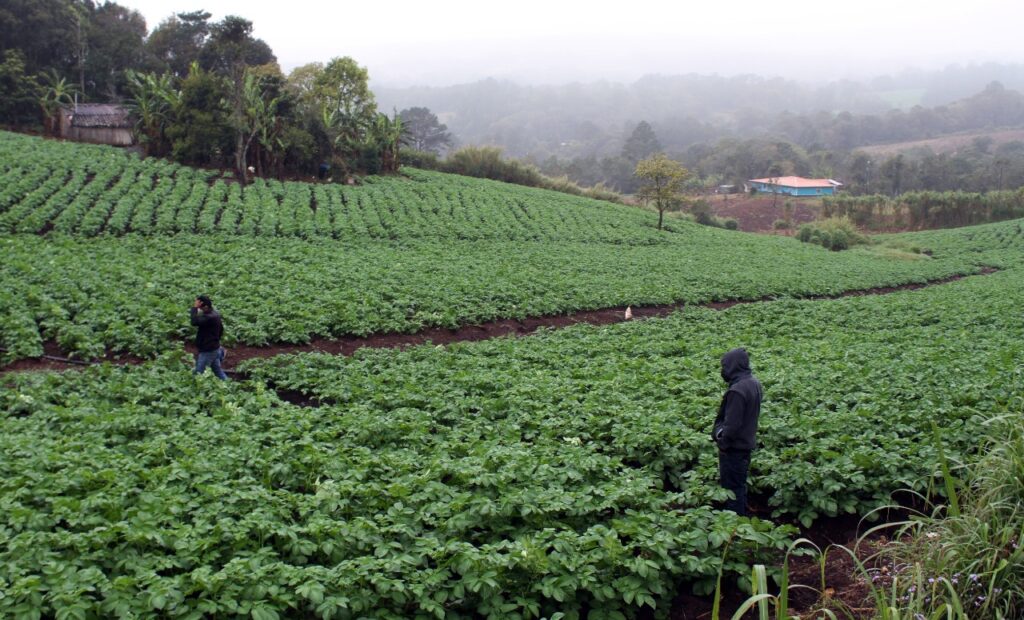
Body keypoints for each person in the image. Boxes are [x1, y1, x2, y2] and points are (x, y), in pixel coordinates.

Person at [711, 348, 762, 516]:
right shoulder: (753, 383)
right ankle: (741, 519)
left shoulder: (737, 390)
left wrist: (722, 441)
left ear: (733, 366)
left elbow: (732, 426)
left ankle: (734, 524)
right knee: (739, 486)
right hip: (746, 444)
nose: (723, 371)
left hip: (734, 448)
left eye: (725, 366)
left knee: (732, 490)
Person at [190, 295, 227, 380]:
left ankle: (197, 387)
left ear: (206, 306)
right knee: (217, 371)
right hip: (214, 348)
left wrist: (194, 308)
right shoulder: (214, 314)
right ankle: (228, 384)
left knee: (199, 373)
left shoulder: (209, 317)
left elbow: (194, 322)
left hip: (208, 350)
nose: (200, 309)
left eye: (200, 307)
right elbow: (221, 330)